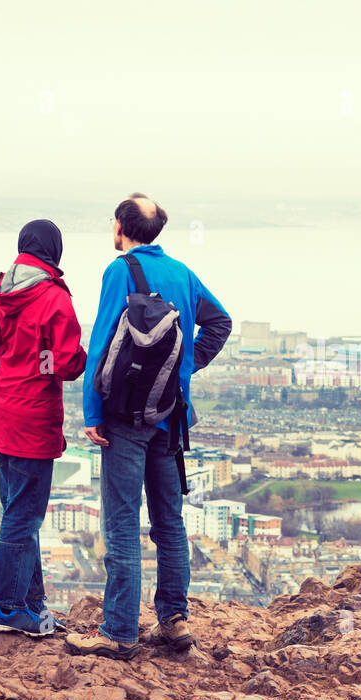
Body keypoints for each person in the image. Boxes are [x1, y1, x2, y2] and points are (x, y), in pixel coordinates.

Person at [66, 193, 230, 659]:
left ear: (121, 226)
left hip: (123, 417)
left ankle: (118, 631)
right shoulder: (182, 274)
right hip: (171, 414)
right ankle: (174, 622)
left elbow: (100, 344)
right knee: (169, 522)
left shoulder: (120, 271)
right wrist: (184, 369)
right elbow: (220, 323)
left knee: (121, 523)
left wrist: (92, 413)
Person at [0, 219, 87, 637]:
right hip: (32, 421)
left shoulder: (0, 291)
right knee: (23, 518)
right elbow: (65, 364)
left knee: (18, 512)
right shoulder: (53, 299)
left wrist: (5, 352)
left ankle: (31, 604)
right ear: (55, 253)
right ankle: (6, 608)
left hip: (3, 415)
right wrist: (84, 357)